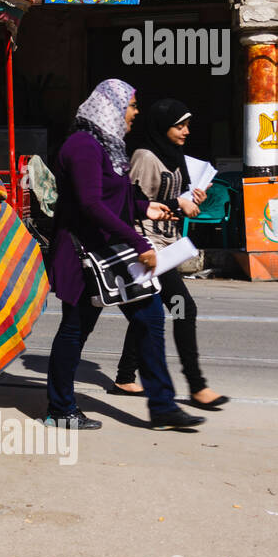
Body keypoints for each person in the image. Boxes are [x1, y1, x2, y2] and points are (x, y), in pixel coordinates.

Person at [44, 78, 205, 431]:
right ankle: (60, 409)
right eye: (131, 105)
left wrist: (146, 207)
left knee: (150, 319)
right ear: (112, 108)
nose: (135, 113)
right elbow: (91, 204)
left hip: (113, 252)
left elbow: (116, 196)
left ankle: (162, 407)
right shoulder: (82, 146)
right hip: (86, 256)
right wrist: (141, 244)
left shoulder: (108, 146)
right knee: (74, 330)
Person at [113, 99, 229, 409]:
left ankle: (125, 376)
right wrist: (179, 204)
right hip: (147, 246)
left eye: (187, 125)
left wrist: (192, 197)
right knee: (183, 309)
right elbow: (132, 203)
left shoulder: (174, 156)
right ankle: (196, 386)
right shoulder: (144, 157)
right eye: (180, 125)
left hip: (169, 245)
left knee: (146, 315)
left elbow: (170, 195)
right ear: (163, 127)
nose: (186, 131)